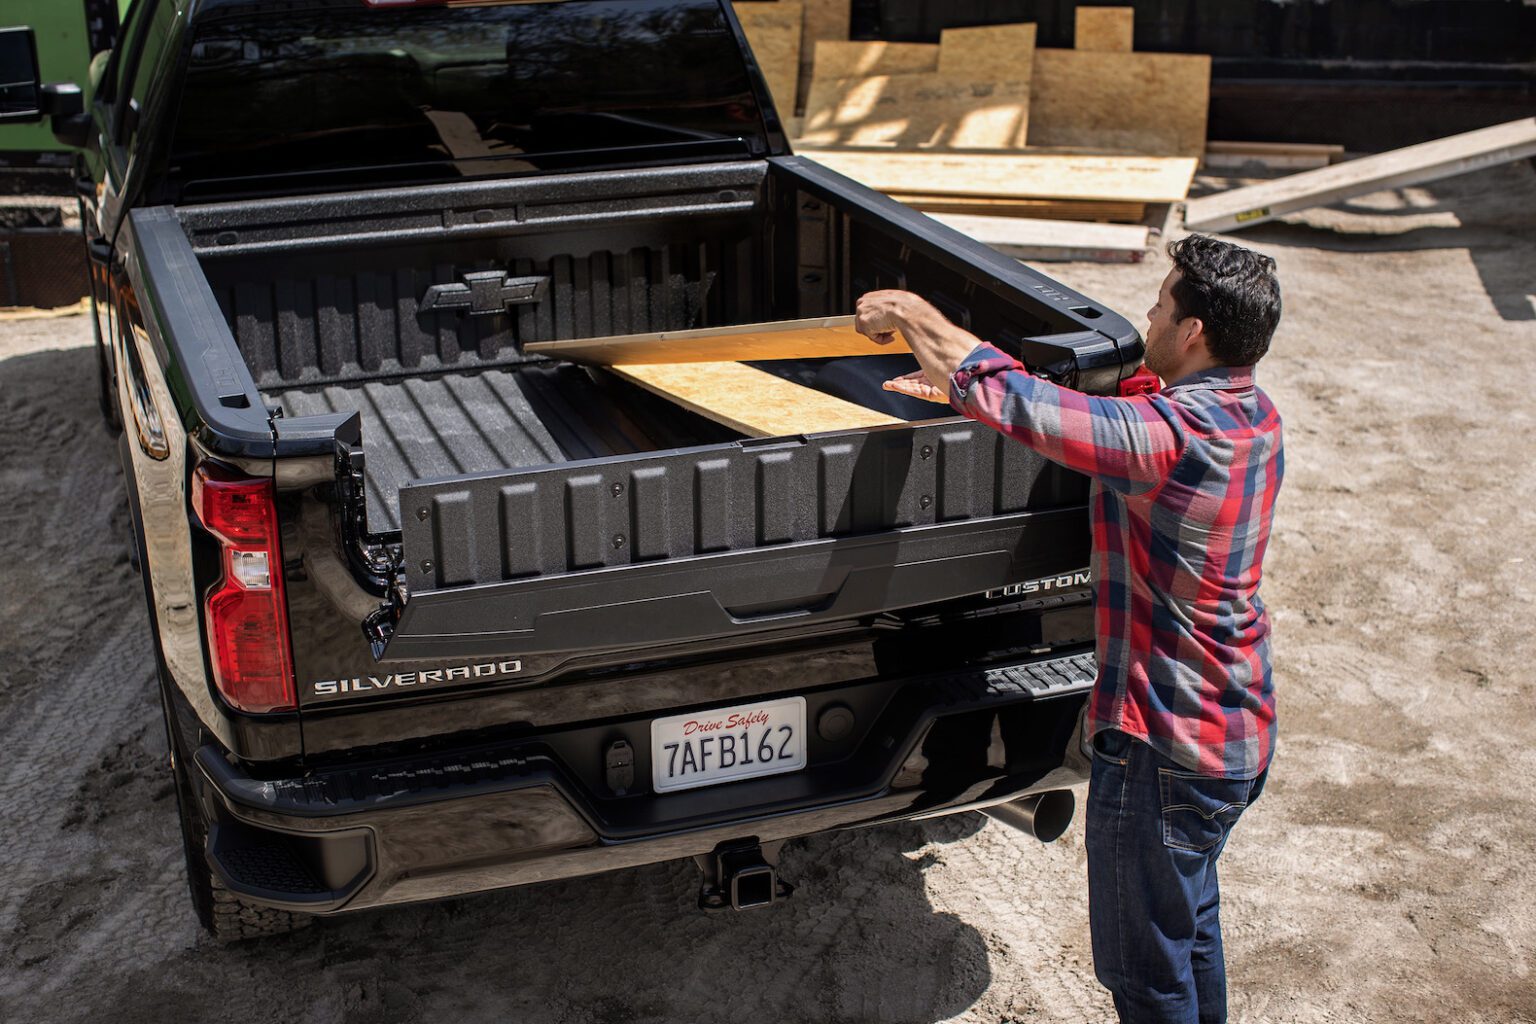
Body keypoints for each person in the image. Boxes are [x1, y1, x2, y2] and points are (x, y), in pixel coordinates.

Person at [854, 235, 1284, 1024]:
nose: (1149, 313)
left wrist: (914, 314)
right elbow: (1130, 408)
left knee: (1144, 973)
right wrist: (974, 388)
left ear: (1193, 332)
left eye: (1161, 304)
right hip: (1235, 729)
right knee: (1188, 929)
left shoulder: (1169, 440)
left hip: (1166, 746)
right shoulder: (1254, 416)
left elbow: (1026, 405)